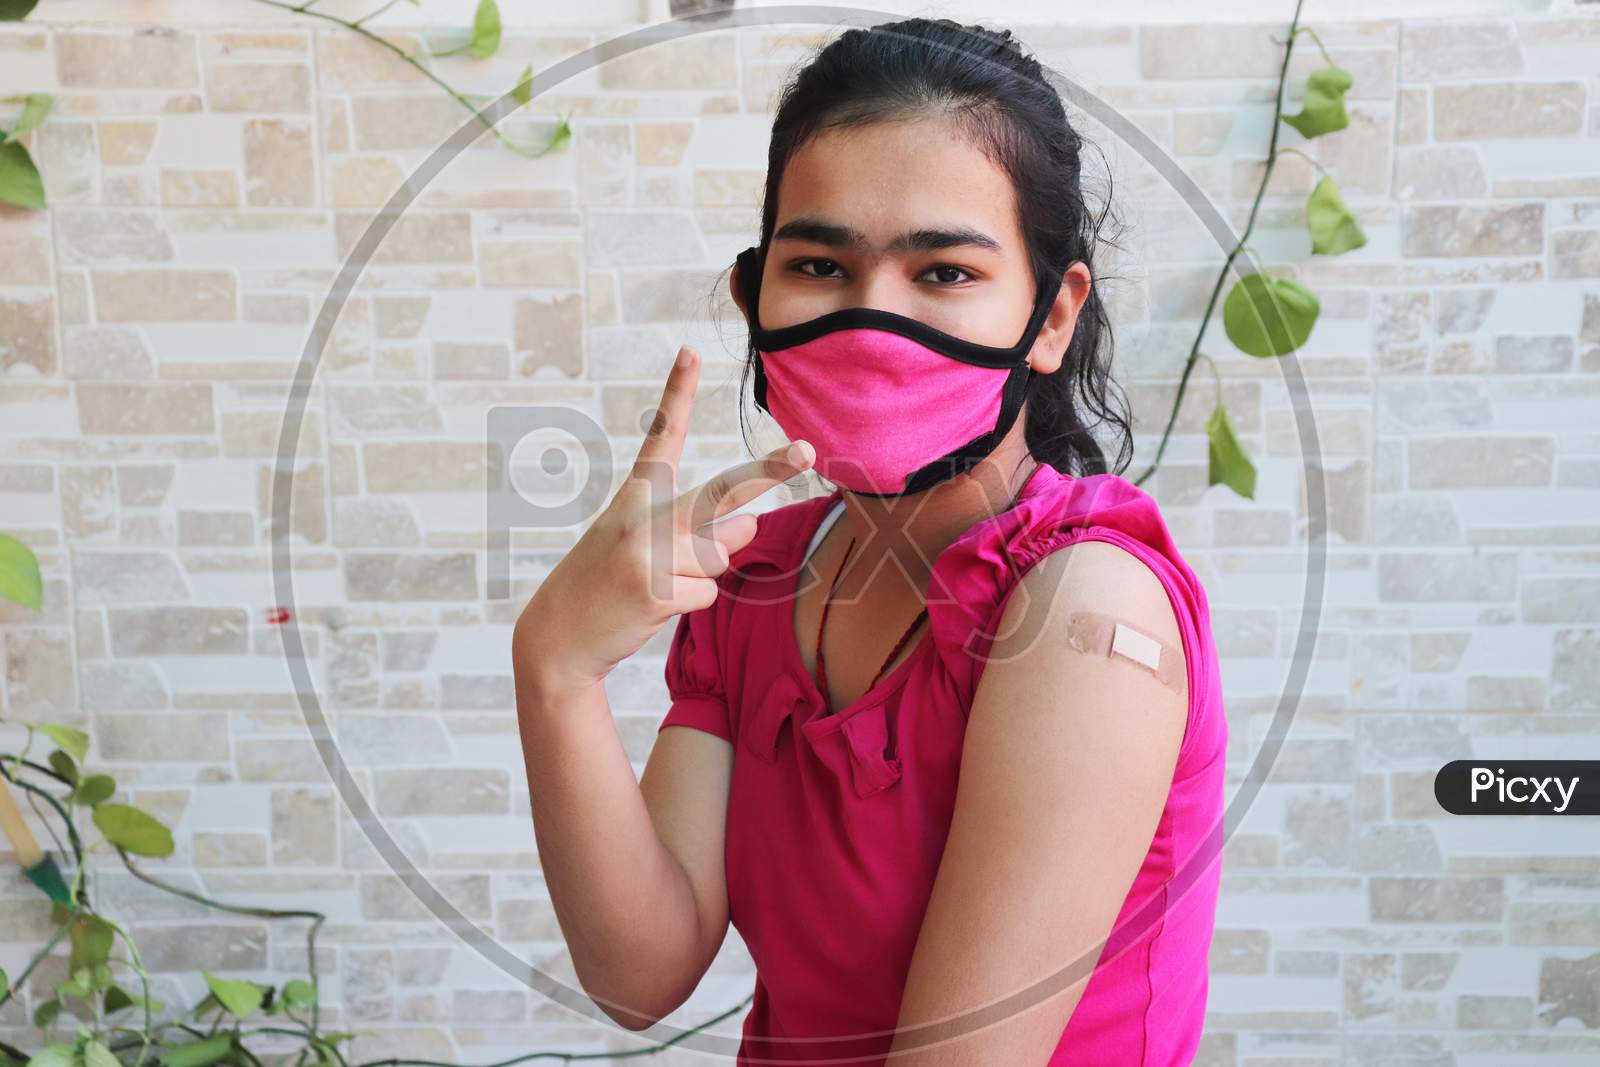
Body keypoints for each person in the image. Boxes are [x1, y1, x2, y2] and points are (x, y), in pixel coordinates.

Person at [512, 16, 1227, 1066]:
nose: (870, 320)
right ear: (757, 292)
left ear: (1052, 313)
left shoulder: (1087, 613)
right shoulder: (753, 573)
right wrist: (555, 664)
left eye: (943, 272)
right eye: (820, 264)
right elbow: (639, 973)